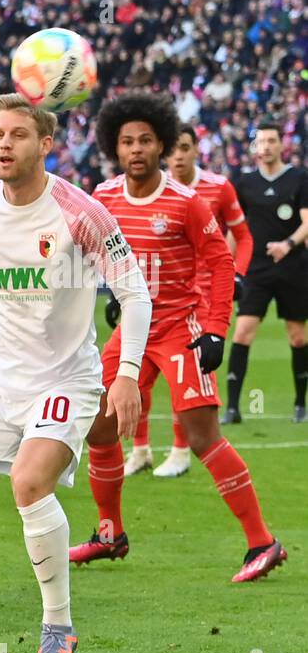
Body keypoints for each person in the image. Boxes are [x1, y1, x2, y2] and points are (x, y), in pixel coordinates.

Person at [0, 94, 151, 653]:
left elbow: (135, 293)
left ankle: (58, 628)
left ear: (46, 145)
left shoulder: (80, 212)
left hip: (66, 379)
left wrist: (125, 376)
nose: (3, 144)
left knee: (28, 484)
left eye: (18, 135)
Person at [71, 91, 285, 583]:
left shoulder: (186, 202)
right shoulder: (102, 197)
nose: (137, 149)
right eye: (127, 142)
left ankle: (262, 542)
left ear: (163, 144)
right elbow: (91, 252)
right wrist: (112, 292)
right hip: (132, 331)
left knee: (203, 434)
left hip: (180, 329)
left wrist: (214, 330)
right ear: (114, 148)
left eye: (146, 140)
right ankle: (110, 534)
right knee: (99, 427)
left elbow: (218, 261)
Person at [110, 123, 253, 476]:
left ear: (192, 150)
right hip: (149, 299)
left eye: (184, 148)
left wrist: (238, 275)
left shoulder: (215, 189)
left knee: (186, 386)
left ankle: (179, 452)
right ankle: (140, 450)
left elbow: (240, 239)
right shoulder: (117, 194)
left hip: (196, 301)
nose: (178, 156)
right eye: (175, 149)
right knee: (125, 385)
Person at [225, 120, 308, 424]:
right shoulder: (244, 183)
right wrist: (225, 260)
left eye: (272, 140)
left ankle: (301, 404)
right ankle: (232, 408)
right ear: (255, 147)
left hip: (294, 267)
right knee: (243, 331)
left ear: (281, 144)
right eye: (261, 141)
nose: (267, 146)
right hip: (256, 269)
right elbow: (236, 227)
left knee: (298, 336)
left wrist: (287, 244)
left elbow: (307, 222)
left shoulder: (299, 178)